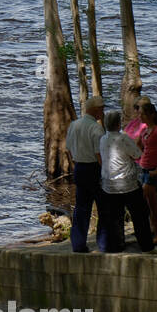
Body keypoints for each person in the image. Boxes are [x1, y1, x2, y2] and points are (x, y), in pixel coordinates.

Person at [98, 110, 155, 252]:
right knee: (139, 215)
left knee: (115, 217)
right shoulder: (123, 138)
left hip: (109, 184)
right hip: (127, 183)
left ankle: (117, 245)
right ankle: (146, 245)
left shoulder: (103, 139)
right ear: (118, 123)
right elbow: (137, 154)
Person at [65, 95, 108, 253]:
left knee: (81, 208)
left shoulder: (74, 125)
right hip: (94, 169)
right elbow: (99, 154)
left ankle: (78, 243)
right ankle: (103, 243)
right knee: (103, 207)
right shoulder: (96, 128)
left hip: (79, 168)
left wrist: (76, 163)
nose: (103, 112)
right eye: (102, 109)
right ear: (95, 110)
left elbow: (68, 148)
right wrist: (106, 172)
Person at [136, 101, 157, 250]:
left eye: (142, 113)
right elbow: (139, 145)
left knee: (152, 204)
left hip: (152, 171)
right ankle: (152, 228)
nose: (139, 116)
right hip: (143, 170)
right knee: (146, 203)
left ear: (150, 114)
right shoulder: (145, 130)